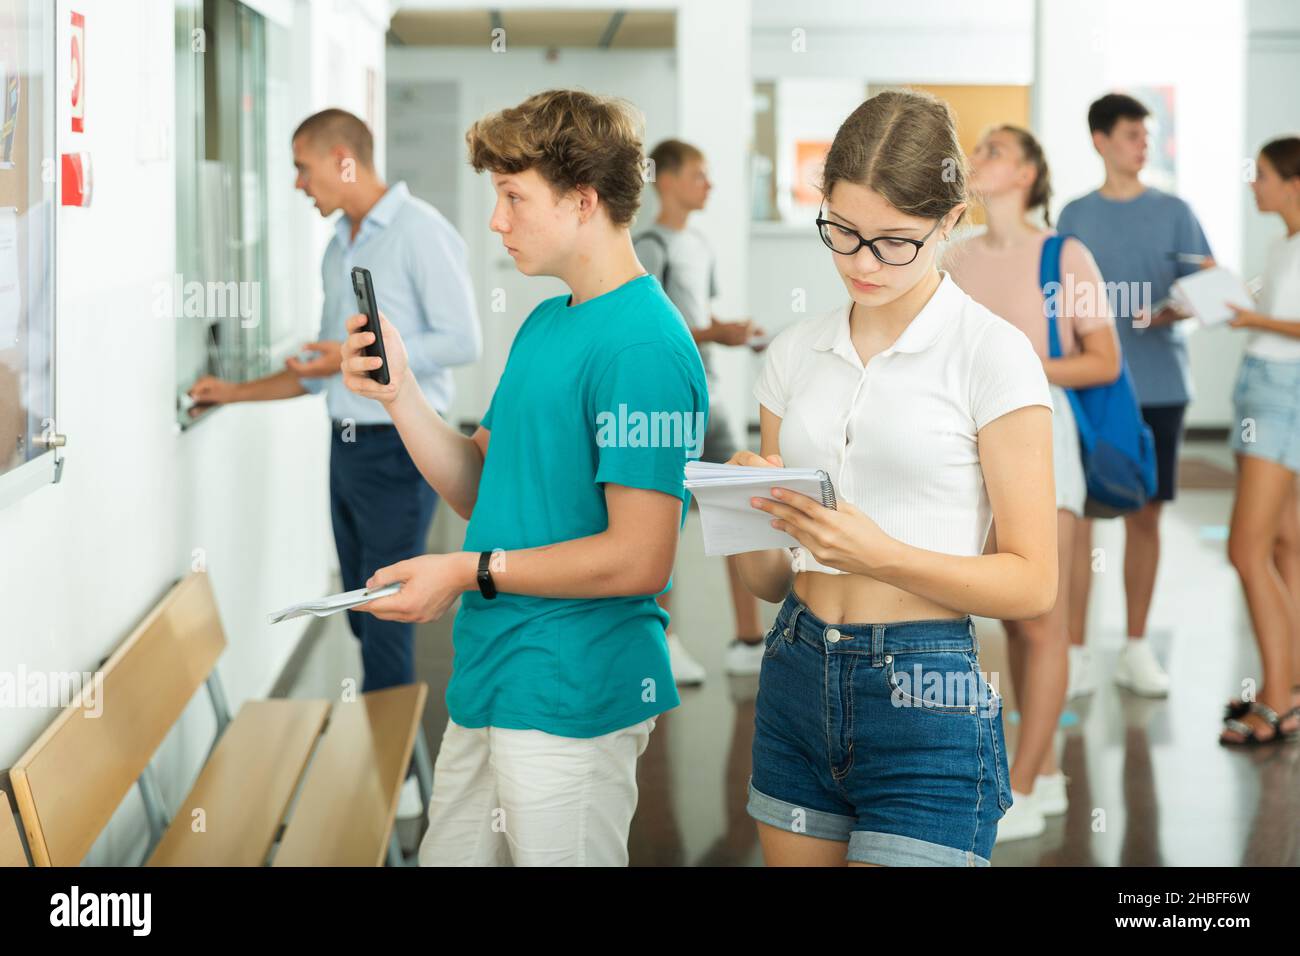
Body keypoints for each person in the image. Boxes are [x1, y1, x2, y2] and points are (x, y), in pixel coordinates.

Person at [338, 90, 709, 866]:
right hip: (491, 675)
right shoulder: (548, 322)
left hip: (572, 691)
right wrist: (400, 391)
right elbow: (481, 484)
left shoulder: (643, 347)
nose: (496, 221)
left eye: (513, 197)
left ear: (583, 200)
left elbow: (642, 558)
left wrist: (467, 570)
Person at [734, 89, 1057, 867]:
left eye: (894, 241)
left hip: (928, 692)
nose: (861, 263)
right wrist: (742, 514)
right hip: (795, 670)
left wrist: (878, 554)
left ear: (950, 222)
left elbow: (1033, 583)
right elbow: (771, 582)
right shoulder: (793, 355)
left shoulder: (993, 355)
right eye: (841, 232)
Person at [188, 108, 481, 818]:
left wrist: (386, 351)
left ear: (343, 159)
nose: (296, 183)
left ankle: (397, 780)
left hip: (400, 450)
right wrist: (230, 391)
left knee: (382, 612)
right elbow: (328, 367)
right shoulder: (336, 248)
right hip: (344, 447)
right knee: (358, 602)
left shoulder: (420, 232)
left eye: (302, 166)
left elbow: (464, 337)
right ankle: (395, 747)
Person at [946, 125, 1121, 841]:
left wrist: (1016, 372)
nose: (976, 159)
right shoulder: (952, 259)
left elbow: (1103, 360)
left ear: (1026, 173)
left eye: (992, 151)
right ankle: (1043, 766)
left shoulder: (1063, 254)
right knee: (1012, 613)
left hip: (1045, 442)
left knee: (1043, 617)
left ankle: (1022, 784)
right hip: (974, 447)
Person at [1056, 93, 1214, 699]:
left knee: (1146, 518)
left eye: (1146, 136)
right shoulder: (1074, 215)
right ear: (1100, 140)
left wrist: (1169, 311)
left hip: (1160, 388)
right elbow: (1054, 298)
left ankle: (1137, 647)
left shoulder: (1176, 210)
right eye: (1130, 135)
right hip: (1091, 389)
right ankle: (1074, 653)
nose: (1142, 145)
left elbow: (1211, 288)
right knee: (1081, 520)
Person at [634, 138, 766, 684]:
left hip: (709, 395)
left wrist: (730, 332)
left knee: (740, 508)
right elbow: (646, 330)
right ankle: (660, 641)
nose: (707, 184)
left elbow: (697, 318)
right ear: (664, 179)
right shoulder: (647, 245)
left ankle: (748, 640)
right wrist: (716, 332)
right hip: (667, 403)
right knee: (665, 520)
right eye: (698, 174)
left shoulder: (701, 245)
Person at [1218, 135, 1300, 745]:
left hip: (1279, 392)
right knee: (1284, 544)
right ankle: (1289, 685)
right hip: (1270, 384)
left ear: (1293, 183)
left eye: (1264, 175)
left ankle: (1275, 701)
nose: (1255, 183)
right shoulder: (1283, 245)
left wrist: (1252, 319)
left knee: (1245, 551)